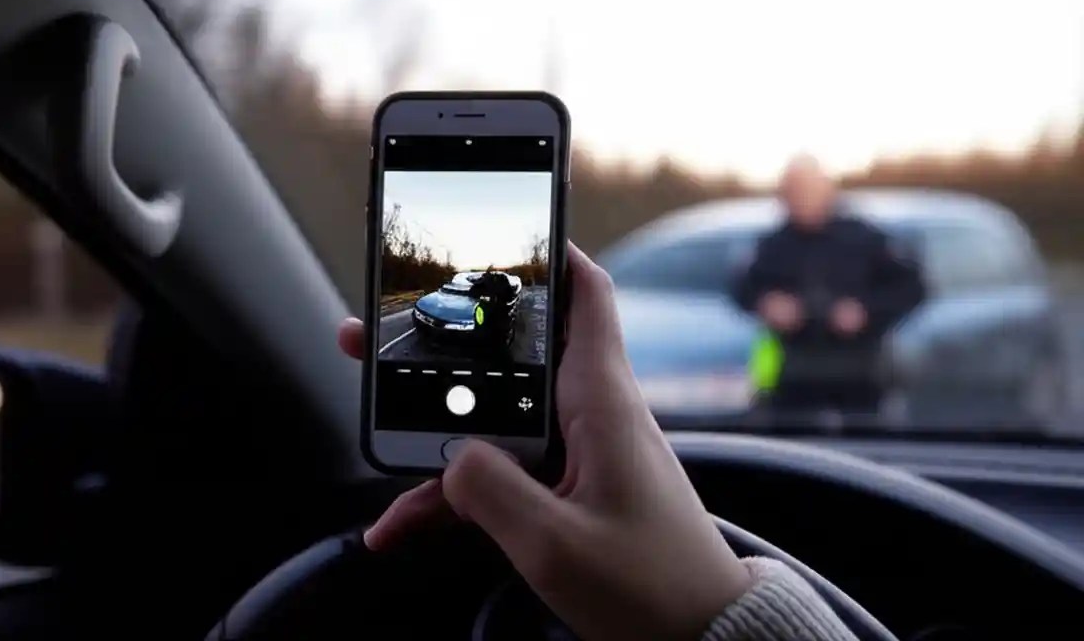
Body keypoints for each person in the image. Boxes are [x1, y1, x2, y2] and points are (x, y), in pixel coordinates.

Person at [338, 243, 857, 641]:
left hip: (836, 387)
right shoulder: (769, 253)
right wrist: (713, 606)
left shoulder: (503, 293)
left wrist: (701, 616)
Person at [731, 156, 925, 414]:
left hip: (859, 373)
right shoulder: (772, 246)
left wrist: (866, 311)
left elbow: (912, 288)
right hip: (791, 376)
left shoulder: (865, 240)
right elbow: (741, 289)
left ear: (828, 190)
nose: (801, 198)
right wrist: (767, 303)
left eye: (808, 189)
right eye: (793, 191)